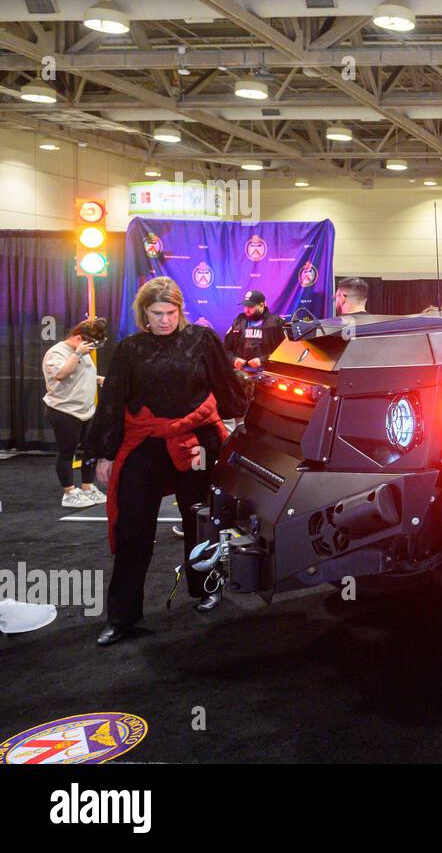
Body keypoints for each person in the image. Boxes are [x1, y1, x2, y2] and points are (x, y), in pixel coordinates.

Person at [85, 277, 247, 647]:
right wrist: (104, 453)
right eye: (157, 313)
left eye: (171, 312)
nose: (165, 320)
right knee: (133, 528)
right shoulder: (130, 349)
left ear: (181, 310)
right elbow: (113, 400)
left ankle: (208, 588)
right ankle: (122, 616)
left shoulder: (202, 340)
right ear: (143, 312)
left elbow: (227, 386)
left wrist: (242, 426)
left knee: (201, 519)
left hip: (197, 442)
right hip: (146, 443)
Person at [42, 317, 109, 508]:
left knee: (91, 450)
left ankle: (87, 488)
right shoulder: (57, 352)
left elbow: (81, 372)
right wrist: (78, 354)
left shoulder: (82, 352)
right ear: (79, 339)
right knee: (67, 452)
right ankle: (69, 492)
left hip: (86, 410)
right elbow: (62, 374)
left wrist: (97, 379)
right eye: (91, 343)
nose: (92, 348)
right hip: (64, 410)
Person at [222, 289, 286, 373]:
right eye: (245, 306)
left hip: (267, 375)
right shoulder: (238, 321)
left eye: (250, 306)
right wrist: (234, 359)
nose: (246, 310)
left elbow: (285, 352)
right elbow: (225, 348)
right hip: (241, 374)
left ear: (261, 305)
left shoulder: (276, 323)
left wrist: (263, 360)